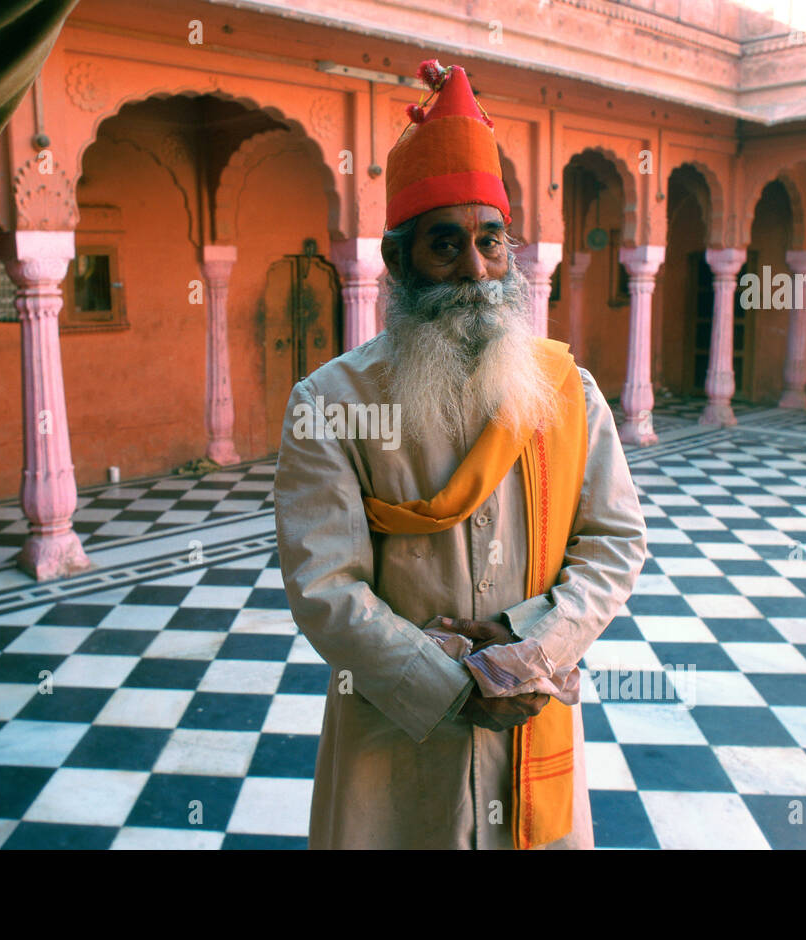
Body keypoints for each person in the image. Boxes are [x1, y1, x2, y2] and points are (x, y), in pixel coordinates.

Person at [273, 60, 647, 849]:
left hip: (530, 713)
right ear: (399, 258)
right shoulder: (331, 402)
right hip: (397, 739)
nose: (475, 270)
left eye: (491, 242)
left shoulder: (565, 390)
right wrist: (449, 686)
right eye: (447, 245)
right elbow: (323, 584)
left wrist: (527, 651)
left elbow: (614, 543)